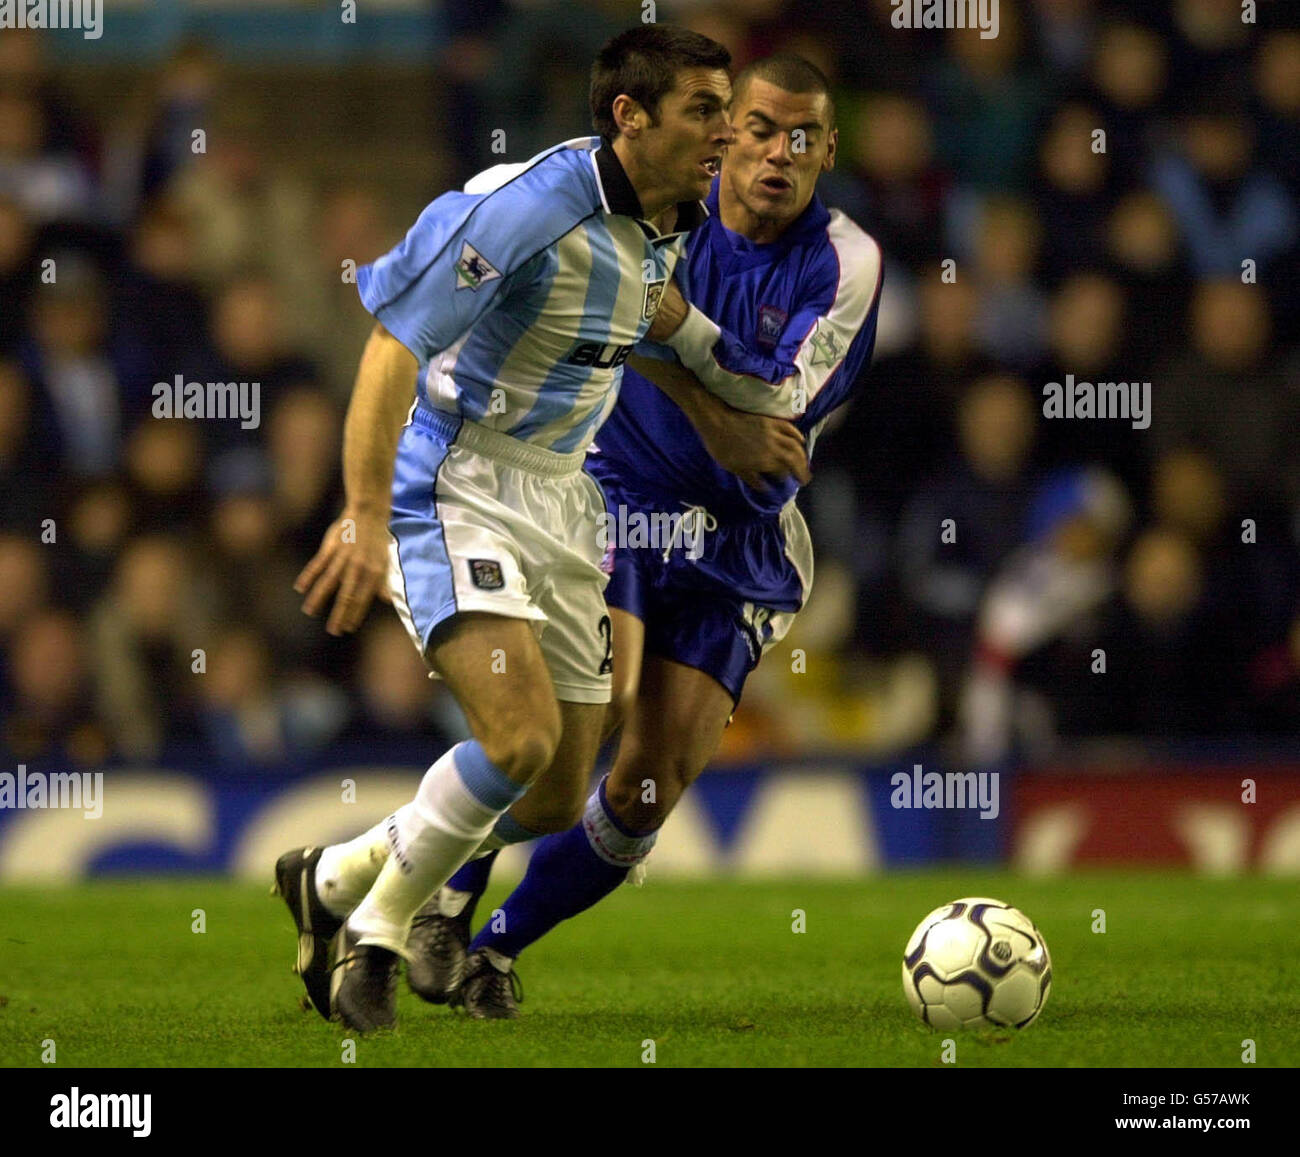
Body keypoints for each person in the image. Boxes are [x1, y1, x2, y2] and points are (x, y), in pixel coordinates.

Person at [274, 25, 745, 1033]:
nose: (726, 132)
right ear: (630, 115)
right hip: (458, 477)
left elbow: (639, 305)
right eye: (704, 110)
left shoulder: (676, 211)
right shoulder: (524, 207)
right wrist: (359, 514)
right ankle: (377, 930)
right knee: (518, 733)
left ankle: (332, 873)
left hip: (564, 495)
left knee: (550, 790)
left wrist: (717, 385)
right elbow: (391, 345)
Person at [408, 53, 885, 1017]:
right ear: (725, 133)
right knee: (599, 709)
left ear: (828, 149)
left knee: (646, 792)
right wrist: (706, 402)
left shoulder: (847, 260)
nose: (775, 155)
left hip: (738, 541)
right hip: (612, 496)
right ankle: (437, 892)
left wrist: (684, 336)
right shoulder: (659, 206)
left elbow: (781, 402)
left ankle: (492, 946)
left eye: (802, 139)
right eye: (756, 129)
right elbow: (610, 323)